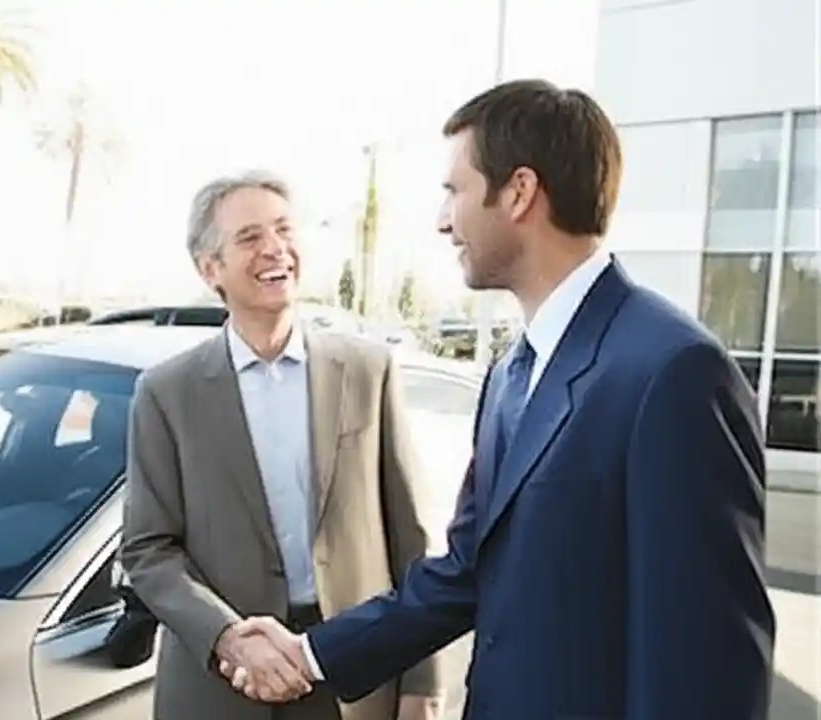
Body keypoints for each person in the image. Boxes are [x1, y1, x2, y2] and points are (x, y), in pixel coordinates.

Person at [225, 80, 777, 719]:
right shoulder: (511, 373)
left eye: (454, 190)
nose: (442, 220)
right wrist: (312, 653)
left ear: (519, 192)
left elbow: (706, 666)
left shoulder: (674, 371)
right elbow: (466, 571)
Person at [119, 171, 444, 720]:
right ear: (209, 268)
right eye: (249, 237)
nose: (274, 249)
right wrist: (226, 637)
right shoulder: (165, 393)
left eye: (283, 229)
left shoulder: (368, 371)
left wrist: (423, 683)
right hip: (223, 688)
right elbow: (148, 551)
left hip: (353, 676)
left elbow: (410, 540)